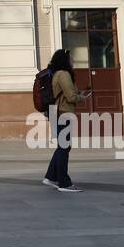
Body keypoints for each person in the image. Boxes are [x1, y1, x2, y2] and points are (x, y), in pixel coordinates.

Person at [42, 48, 89, 193]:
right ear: (65, 60)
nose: (73, 61)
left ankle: (51, 176)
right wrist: (83, 97)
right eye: (71, 58)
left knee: (63, 146)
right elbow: (71, 97)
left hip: (56, 112)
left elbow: (65, 93)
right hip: (63, 113)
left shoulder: (57, 73)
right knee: (64, 147)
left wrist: (78, 93)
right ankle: (64, 183)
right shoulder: (64, 74)